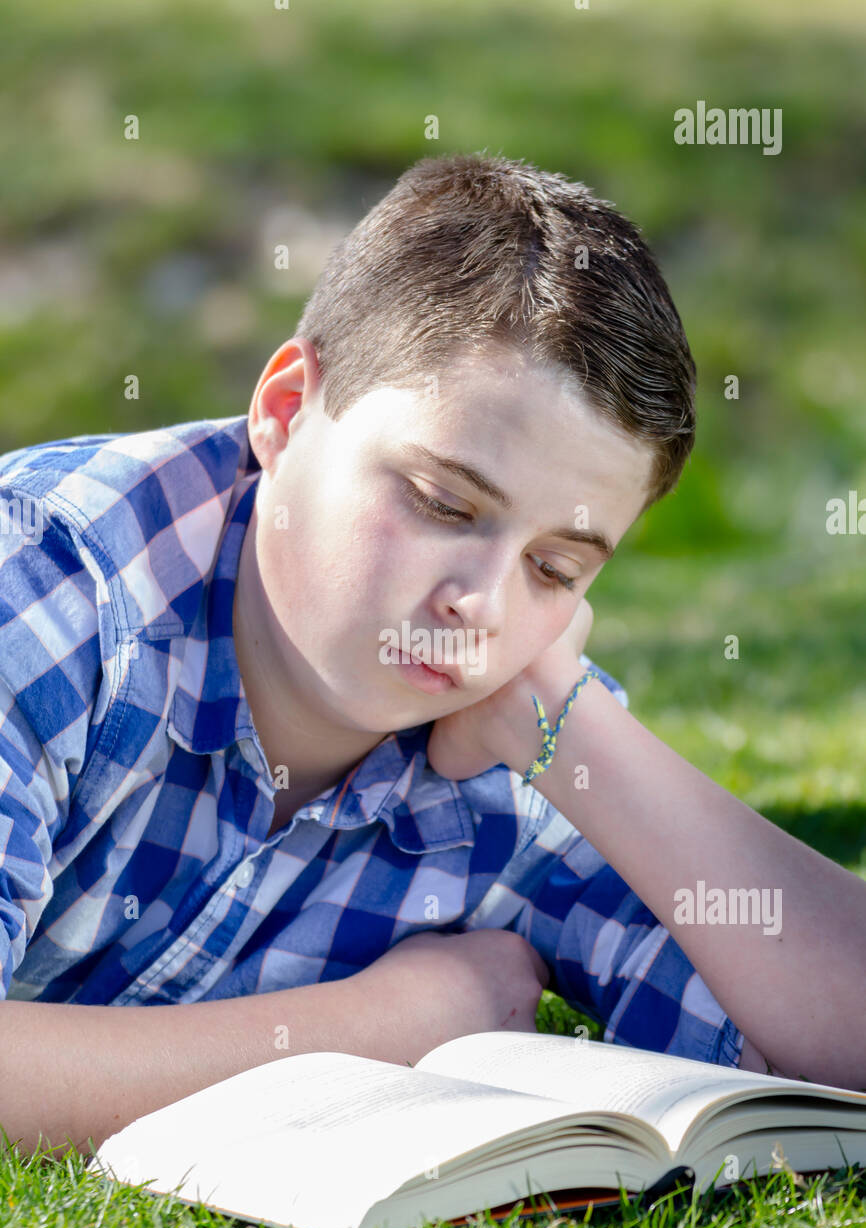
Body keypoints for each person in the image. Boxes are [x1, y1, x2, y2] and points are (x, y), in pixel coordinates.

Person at [1, 153, 863, 1161]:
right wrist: (387, 1027)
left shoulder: (513, 737)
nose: (479, 604)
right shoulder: (50, 590)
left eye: (555, 566)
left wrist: (567, 724)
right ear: (284, 412)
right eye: (442, 505)